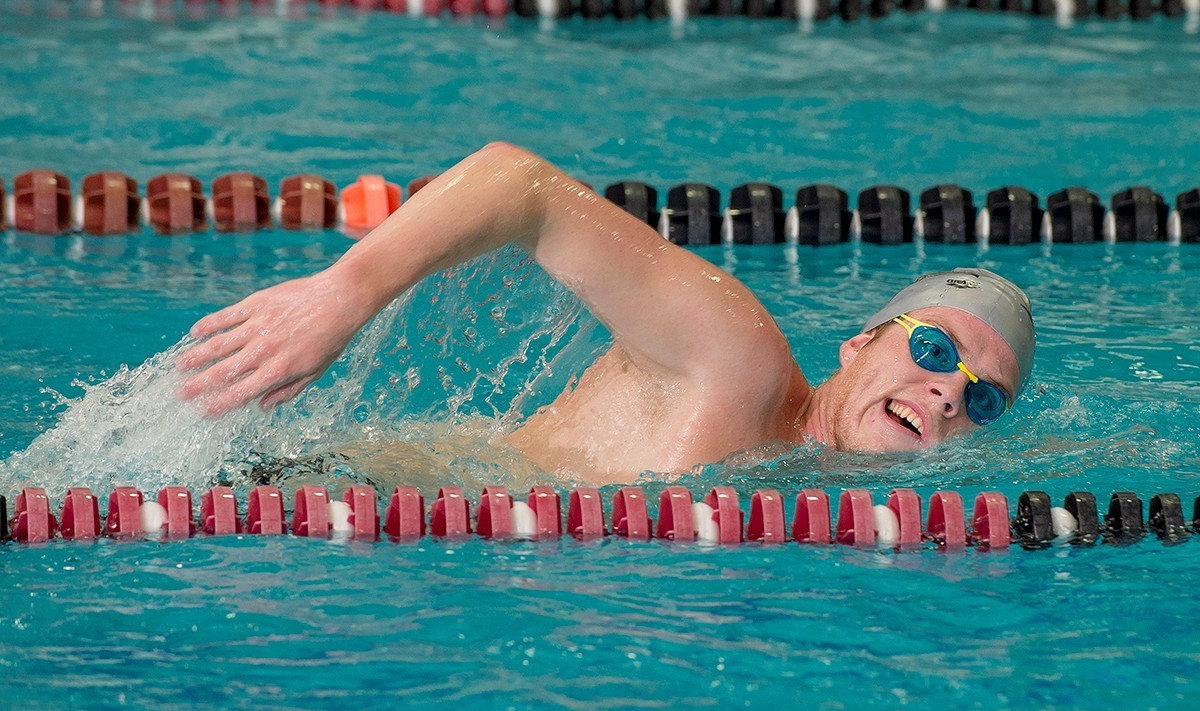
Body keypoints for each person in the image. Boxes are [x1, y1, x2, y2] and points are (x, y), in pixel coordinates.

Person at [175, 142, 1035, 484]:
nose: (950, 392)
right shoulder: (732, 357)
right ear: (856, 345)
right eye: (933, 347)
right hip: (314, 498)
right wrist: (345, 293)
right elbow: (519, 184)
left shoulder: (813, 491)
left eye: (983, 395)